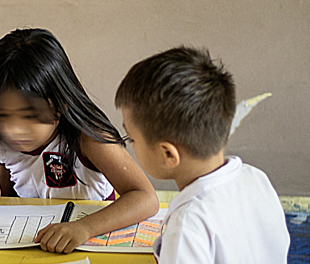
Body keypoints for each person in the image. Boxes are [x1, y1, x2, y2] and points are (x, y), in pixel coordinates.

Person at [0, 28, 159, 254]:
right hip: (32, 244)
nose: (13, 130)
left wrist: (83, 228)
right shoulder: (1, 141)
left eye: (28, 116)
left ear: (60, 104)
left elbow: (145, 198)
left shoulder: (89, 138)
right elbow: (3, 193)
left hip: (91, 244)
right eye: (2, 117)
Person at [115, 47, 290, 263]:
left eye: (131, 138)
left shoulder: (187, 226)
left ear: (168, 154)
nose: (130, 145)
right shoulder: (255, 177)